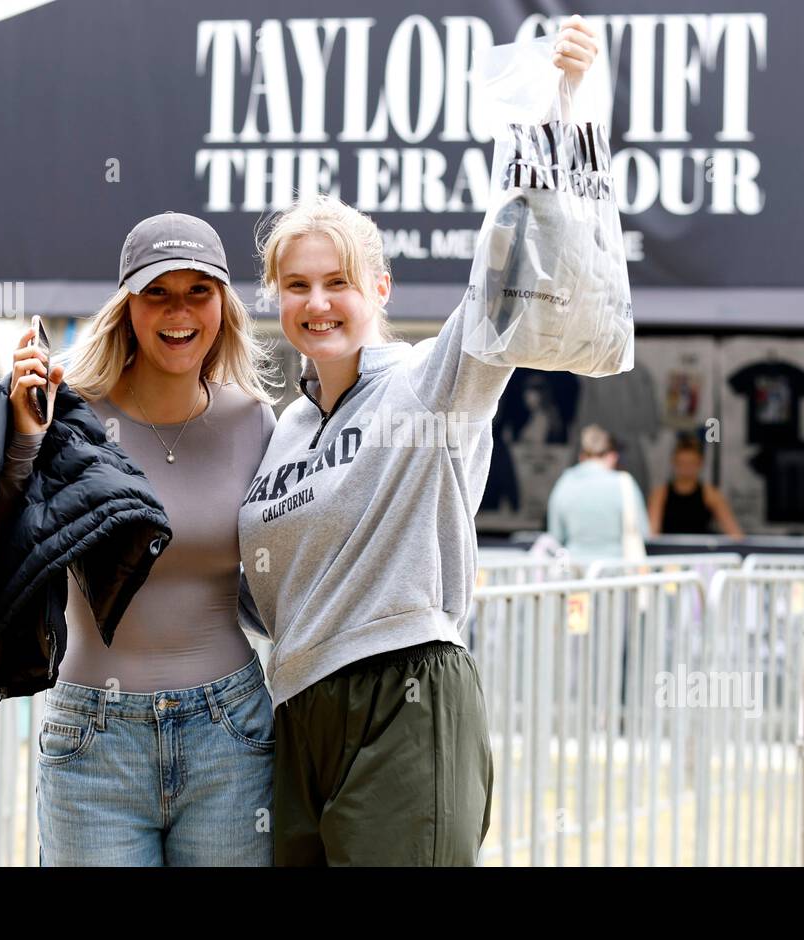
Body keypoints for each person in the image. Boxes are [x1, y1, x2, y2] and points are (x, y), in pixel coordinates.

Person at [238, 15, 603, 866]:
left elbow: (510, 277)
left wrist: (563, 109)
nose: (318, 302)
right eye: (297, 285)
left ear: (379, 289)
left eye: (339, 282)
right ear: (274, 298)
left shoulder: (427, 383)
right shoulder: (280, 430)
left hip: (405, 694)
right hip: (295, 710)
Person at [0, 212, 280, 865]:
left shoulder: (255, 419)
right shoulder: (64, 413)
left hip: (229, 735)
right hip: (93, 740)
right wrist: (22, 442)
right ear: (127, 306)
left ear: (223, 306)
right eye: (158, 293)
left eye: (199, 290)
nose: (180, 311)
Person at [547, 424, 649, 566]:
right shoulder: (624, 484)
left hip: (575, 574)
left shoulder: (565, 482)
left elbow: (556, 535)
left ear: (582, 457)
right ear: (613, 457)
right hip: (616, 574)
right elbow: (642, 532)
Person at [648, 435, 742, 537]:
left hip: (700, 550)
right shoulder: (661, 494)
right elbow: (652, 532)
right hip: (669, 551)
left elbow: (734, 532)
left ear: (700, 463)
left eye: (691, 464)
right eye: (682, 463)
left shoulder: (710, 494)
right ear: (674, 462)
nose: (686, 469)